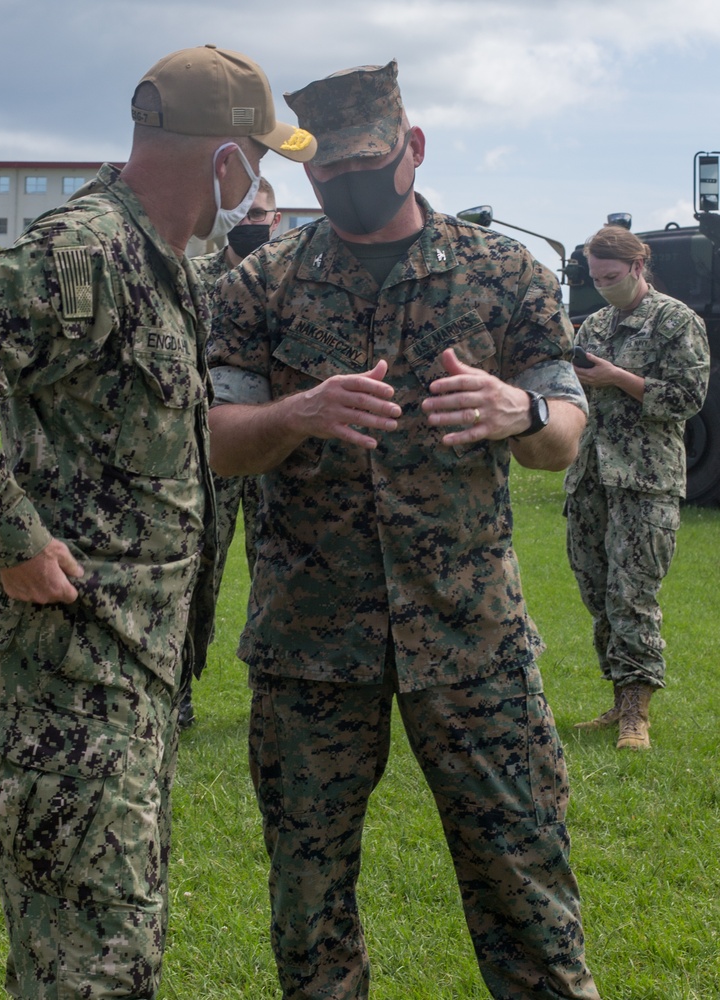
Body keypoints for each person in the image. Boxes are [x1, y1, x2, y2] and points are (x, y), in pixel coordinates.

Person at [0, 44, 314, 1000]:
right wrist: (10, 540)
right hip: (68, 677)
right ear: (224, 159)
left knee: (106, 946)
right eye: (262, 158)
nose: (263, 182)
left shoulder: (165, 267)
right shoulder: (90, 248)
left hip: (127, 670)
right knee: (91, 965)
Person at [208, 61, 600, 999]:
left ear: (412, 150)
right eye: (322, 170)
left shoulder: (507, 274)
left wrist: (523, 412)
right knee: (310, 901)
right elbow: (220, 443)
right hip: (312, 645)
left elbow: (566, 433)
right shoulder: (260, 284)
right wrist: (297, 413)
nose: (342, 180)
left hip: (471, 637)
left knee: (525, 883)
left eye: (365, 161)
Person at [565, 225, 708, 750]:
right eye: (596, 278)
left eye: (612, 277)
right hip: (590, 477)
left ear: (637, 267)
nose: (604, 286)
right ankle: (619, 698)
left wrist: (618, 378)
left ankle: (636, 717)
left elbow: (688, 398)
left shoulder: (676, 321)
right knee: (598, 591)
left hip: (644, 479)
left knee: (634, 593)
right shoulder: (594, 325)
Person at [180, 177, 282, 728]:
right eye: (241, 212)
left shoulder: (295, 281)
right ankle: (177, 695)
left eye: (260, 212)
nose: (251, 221)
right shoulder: (192, 279)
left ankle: (274, 695)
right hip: (204, 452)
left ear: (277, 217)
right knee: (196, 574)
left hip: (275, 451)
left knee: (279, 576)